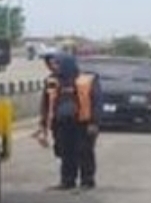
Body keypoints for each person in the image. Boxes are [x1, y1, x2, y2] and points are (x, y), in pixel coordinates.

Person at [38, 53, 103, 191]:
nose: (53, 66)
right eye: (51, 64)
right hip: (61, 124)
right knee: (65, 152)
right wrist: (43, 124)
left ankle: (87, 181)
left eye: (56, 63)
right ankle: (67, 181)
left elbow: (96, 102)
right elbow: (46, 103)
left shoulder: (87, 80)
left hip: (83, 123)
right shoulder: (51, 81)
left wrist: (94, 122)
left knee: (84, 152)